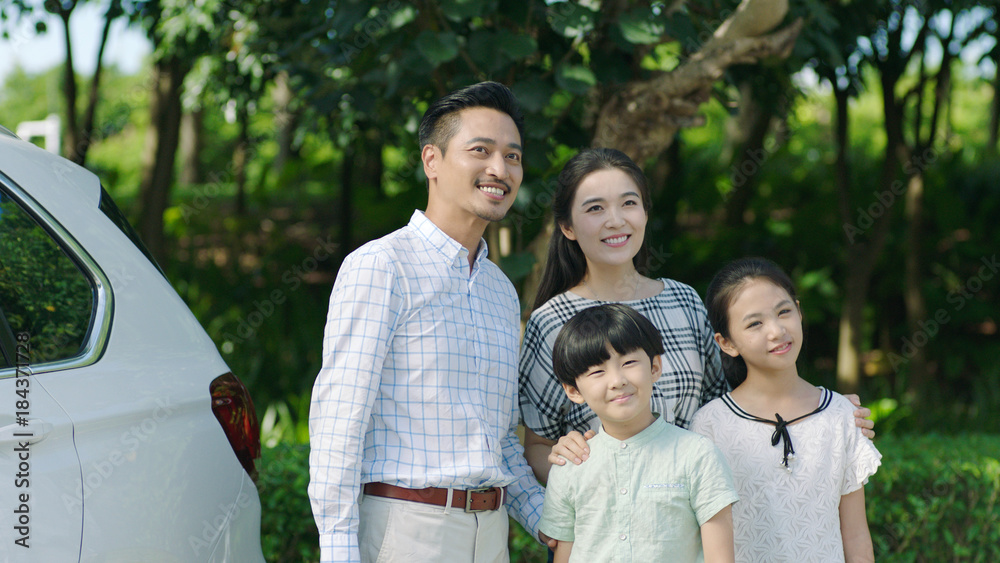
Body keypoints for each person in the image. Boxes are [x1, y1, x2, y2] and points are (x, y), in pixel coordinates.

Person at [517, 147, 875, 485]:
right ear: (567, 227)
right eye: (595, 209)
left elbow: (735, 409)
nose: (615, 220)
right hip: (600, 534)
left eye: (629, 203)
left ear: (644, 212)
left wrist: (822, 413)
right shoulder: (550, 322)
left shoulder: (684, 301)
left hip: (687, 527)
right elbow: (537, 445)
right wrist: (573, 475)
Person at [308, 81, 550, 563]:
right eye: (480, 150)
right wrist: (338, 551)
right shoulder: (381, 265)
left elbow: (500, 440)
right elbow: (339, 422)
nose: (499, 169)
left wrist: (557, 527)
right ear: (431, 161)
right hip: (407, 531)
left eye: (513, 156)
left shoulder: (500, 291)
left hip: (491, 535)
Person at [690, 257, 881, 562]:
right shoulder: (710, 425)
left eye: (784, 312)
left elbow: (856, 533)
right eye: (755, 324)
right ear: (726, 343)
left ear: (799, 311)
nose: (777, 331)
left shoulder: (842, 415)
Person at [539, 303, 739, 563]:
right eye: (598, 371)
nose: (618, 380)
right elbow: (563, 554)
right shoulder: (570, 466)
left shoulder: (697, 455)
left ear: (655, 367)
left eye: (629, 362)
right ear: (573, 391)